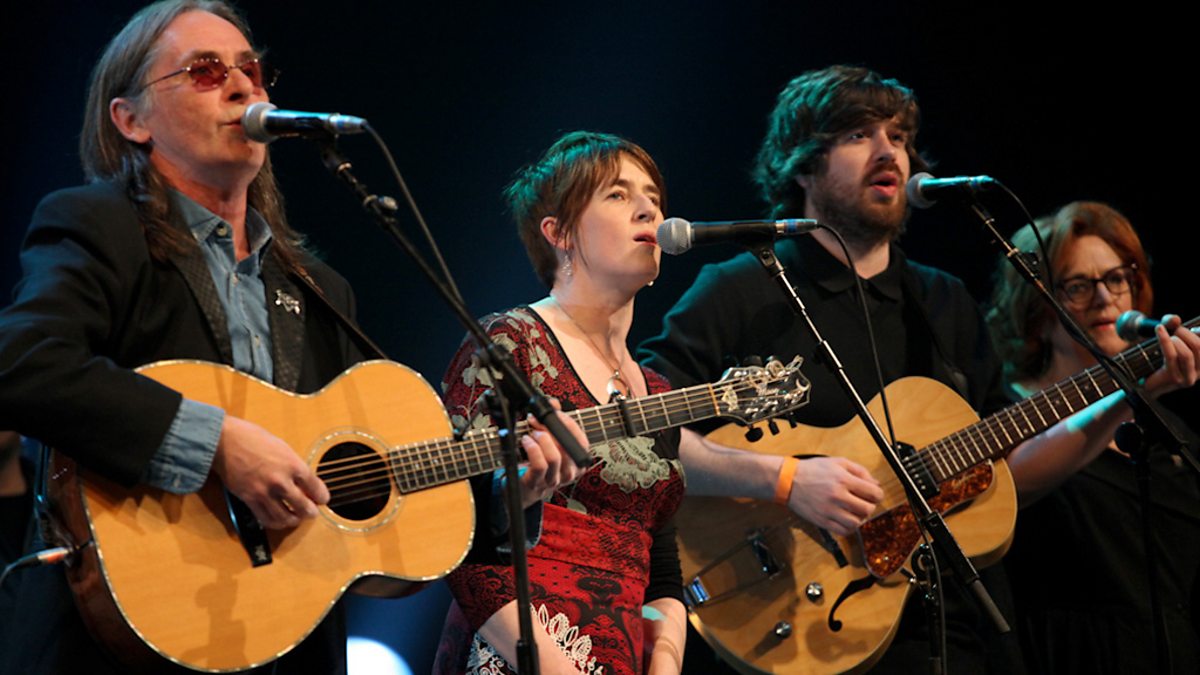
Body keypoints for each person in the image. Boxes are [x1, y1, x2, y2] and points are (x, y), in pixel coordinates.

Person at [0, 2, 578, 672]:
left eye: (253, 69)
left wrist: (507, 489)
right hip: (115, 640)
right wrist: (215, 441)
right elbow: (21, 362)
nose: (245, 86)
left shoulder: (321, 291)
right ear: (131, 120)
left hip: (287, 645)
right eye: (207, 71)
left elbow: (372, 489)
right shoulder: (96, 226)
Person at [432, 130, 880, 675]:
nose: (648, 207)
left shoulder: (658, 392)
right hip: (518, 653)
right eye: (618, 195)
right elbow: (454, 537)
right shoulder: (510, 343)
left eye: (653, 196)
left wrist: (664, 661)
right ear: (559, 233)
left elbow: (660, 562)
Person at [638, 65, 1024, 673]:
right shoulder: (739, 289)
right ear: (802, 164)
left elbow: (1011, 458)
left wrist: (1128, 389)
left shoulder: (944, 303)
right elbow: (643, 438)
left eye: (898, 136)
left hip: (939, 627)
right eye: (857, 135)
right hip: (785, 617)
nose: (887, 150)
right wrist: (784, 478)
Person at [986, 201, 1200, 673]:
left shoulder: (1171, 434)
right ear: (1038, 311)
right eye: (1079, 286)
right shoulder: (1004, 415)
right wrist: (1135, 388)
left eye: (1118, 278)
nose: (1105, 299)